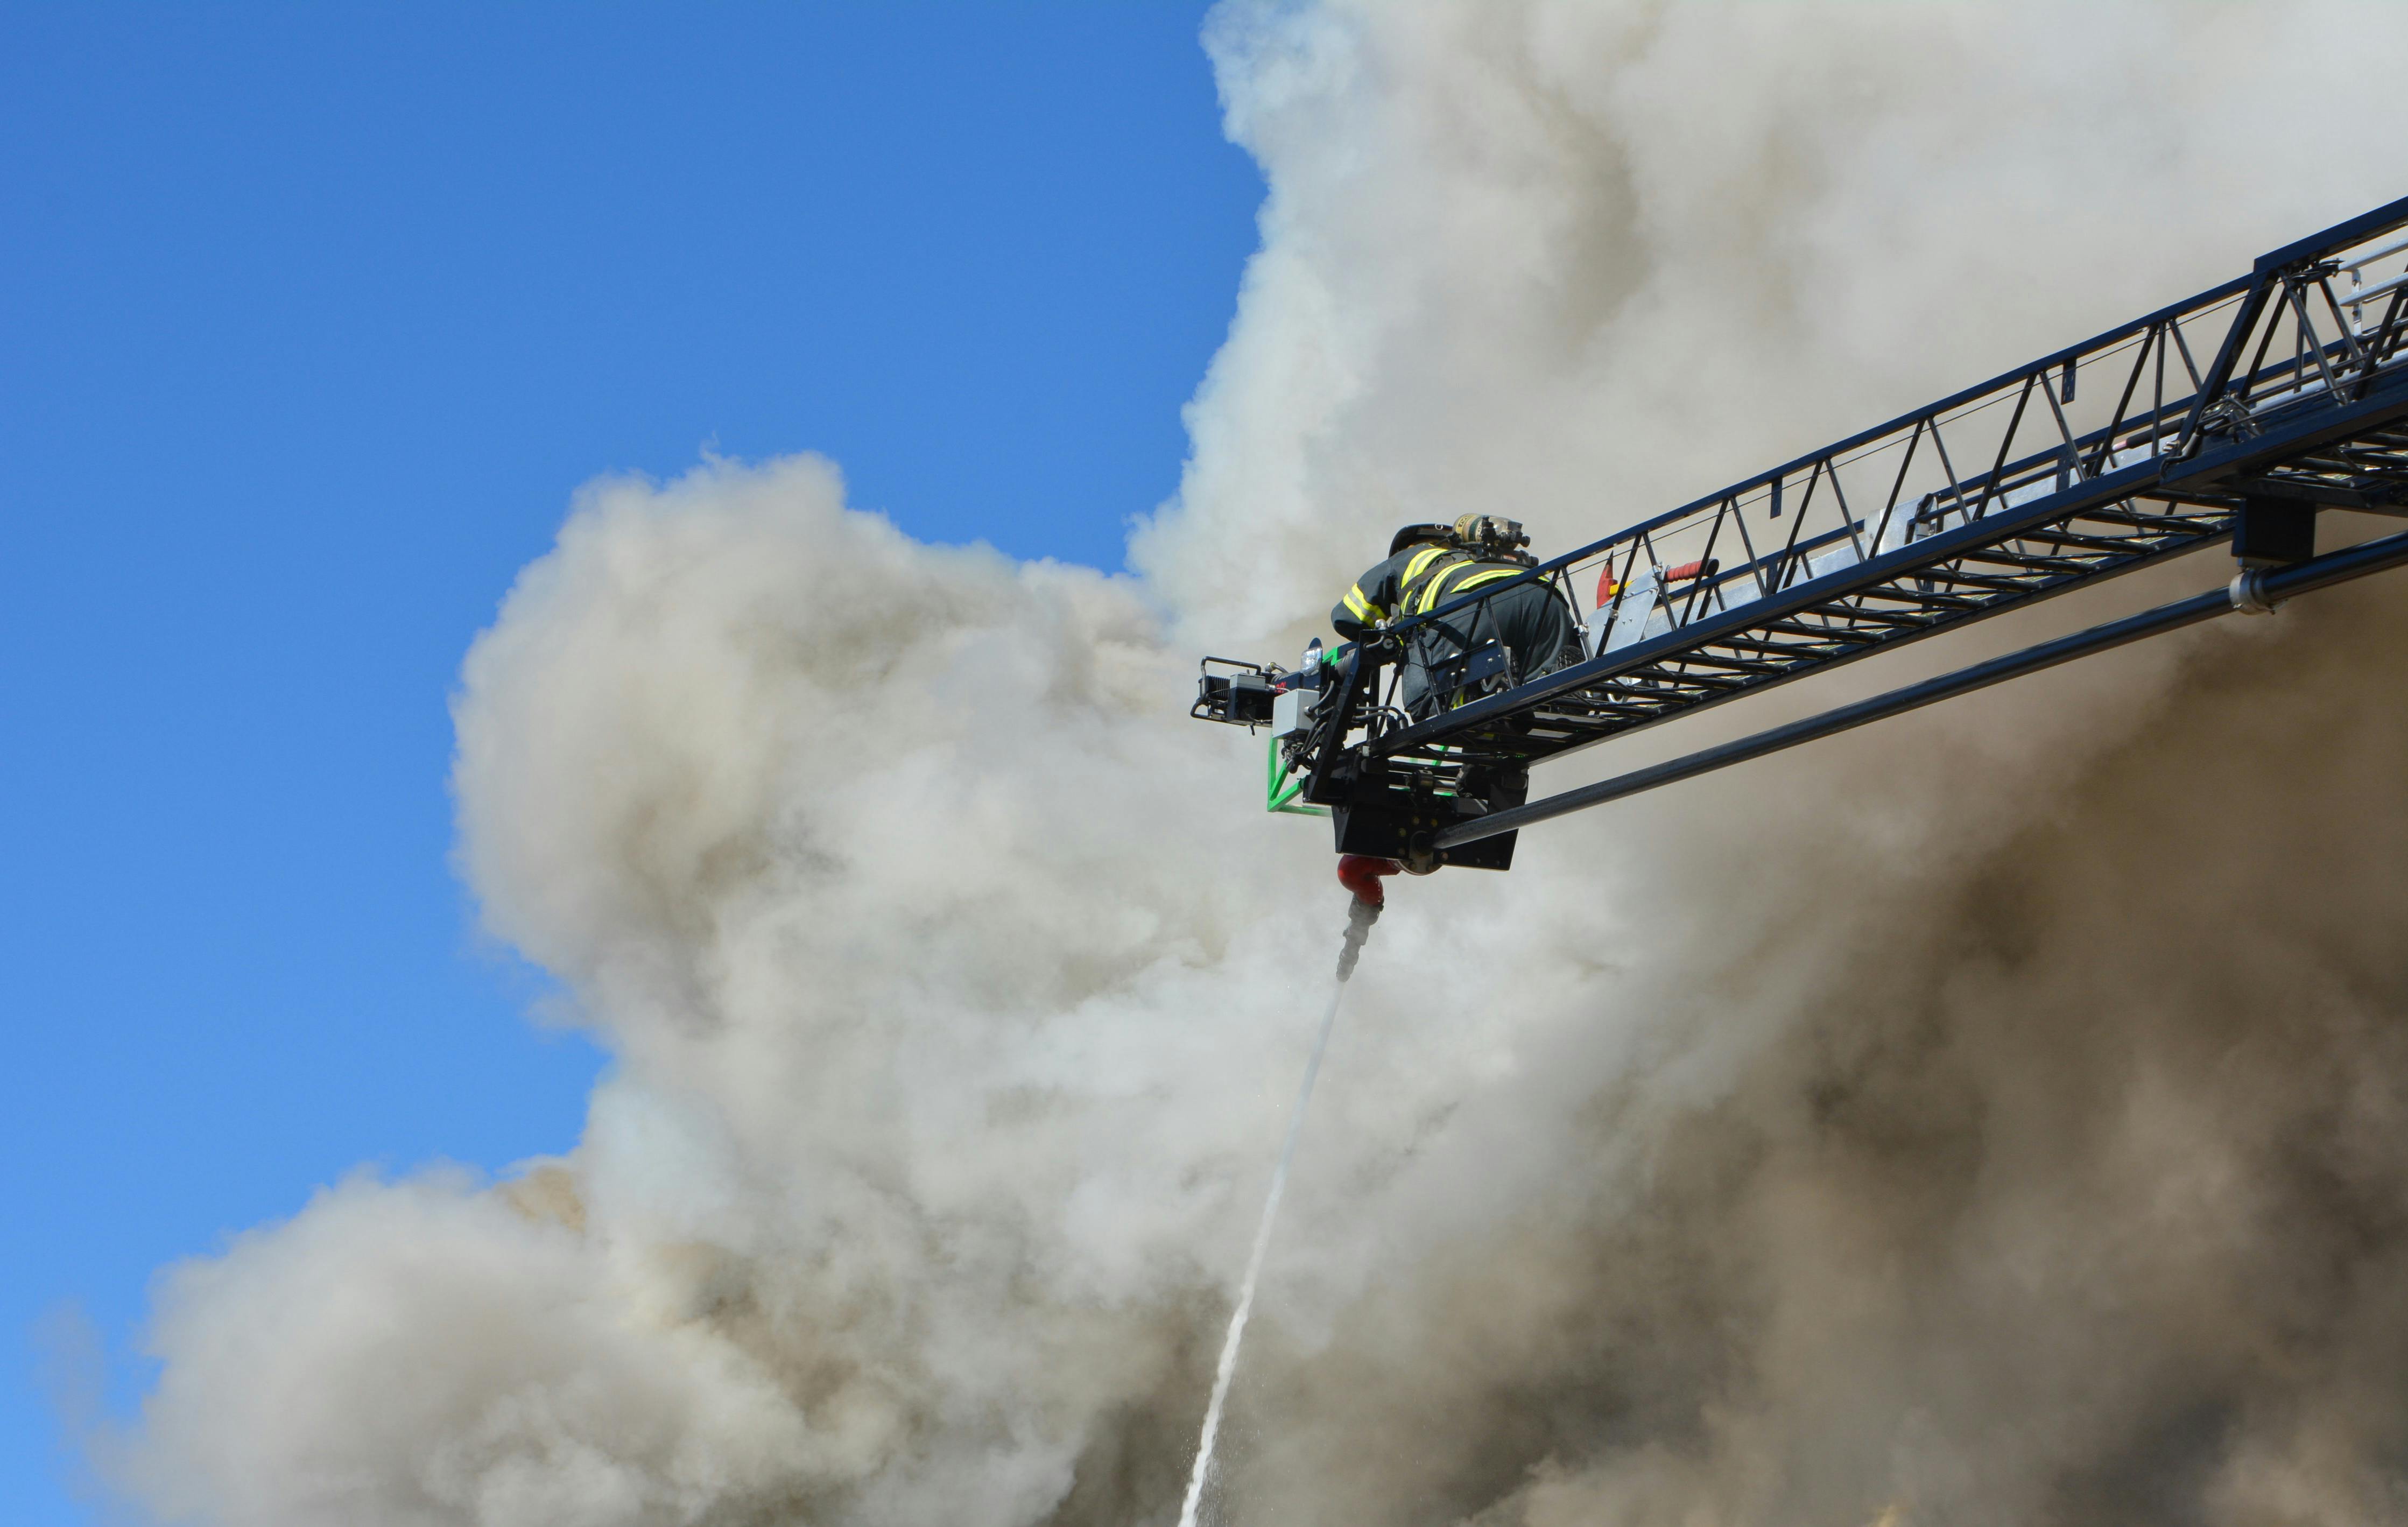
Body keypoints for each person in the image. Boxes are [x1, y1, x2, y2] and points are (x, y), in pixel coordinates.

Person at [1330, 517, 1579, 717]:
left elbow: (1347, 615)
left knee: (1425, 699)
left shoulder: (1409, 556)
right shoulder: (1478, 555)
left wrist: (1387, 642)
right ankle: (1563, 687)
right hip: (1547, 597)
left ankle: (1483, 686)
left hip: (1471, 600)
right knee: (1539, 681)